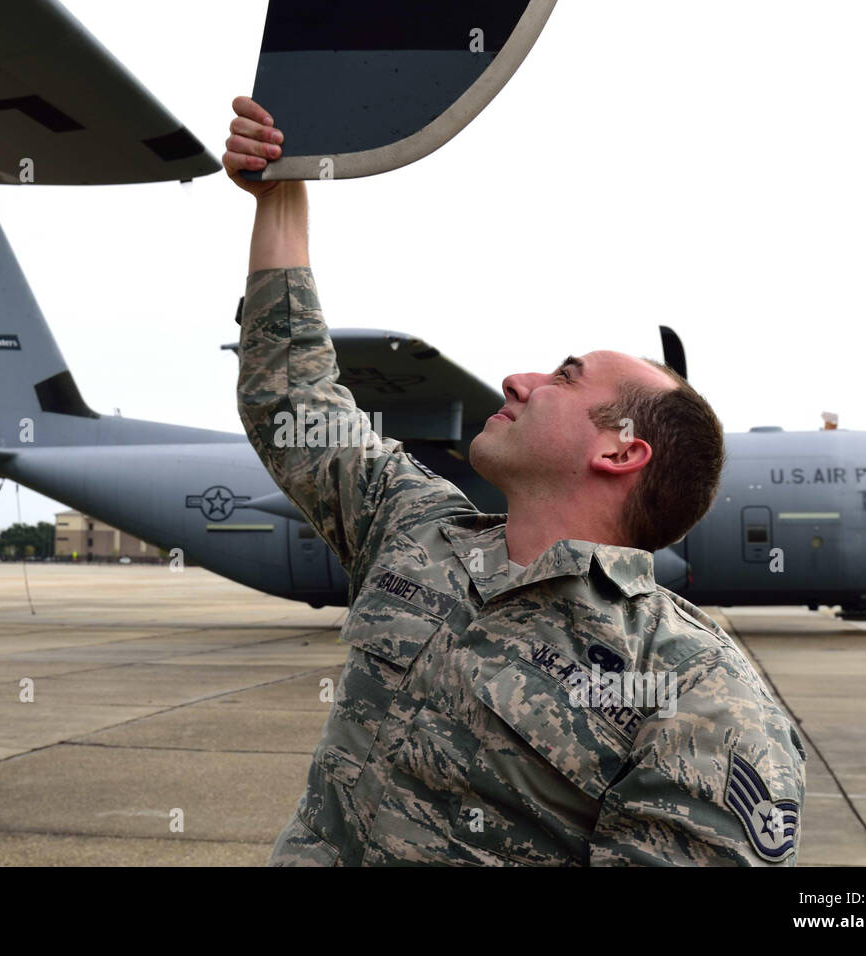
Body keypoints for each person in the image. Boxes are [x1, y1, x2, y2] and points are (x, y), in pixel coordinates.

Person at [224, 96, 806, 866]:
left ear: (622, 451)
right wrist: (281, 197)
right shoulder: (415, 531)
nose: (518, 378)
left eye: (565, 376)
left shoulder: (697, 690)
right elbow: (294, 398)